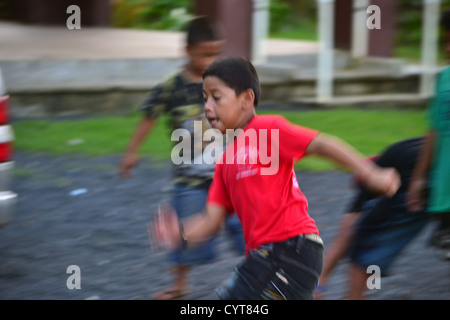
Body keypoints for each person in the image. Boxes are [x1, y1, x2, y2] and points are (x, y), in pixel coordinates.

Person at [152, 56, 401, 300]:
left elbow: (322, 144)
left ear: (246, 99)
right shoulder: (225, 164)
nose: (207, 106)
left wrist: (370, 173)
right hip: (270, 257)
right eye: (205, 99)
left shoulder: (267, 130)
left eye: (216, 97)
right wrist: (181, 234)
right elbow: (210, 221)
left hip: (290, 248)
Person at [119, 17, 245, 300]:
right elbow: (149, 115)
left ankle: (263, 275)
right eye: (205, 54)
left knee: (248, 227)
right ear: (187, 50)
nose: (211, 60)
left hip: (228, 175)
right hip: (189, 178)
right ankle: (179, 286)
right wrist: (132, 151)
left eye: (216, 53)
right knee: (183, 230)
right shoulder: (171, 86)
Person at [315, 137, 430, 300]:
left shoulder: (370, 184)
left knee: (367, 249)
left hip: (409, 165)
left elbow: (343, 241)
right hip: (418, 159)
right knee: (369, 251)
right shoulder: (372, 186)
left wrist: (320, 284)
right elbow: (344, 241)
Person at [407, 8, 450, 260]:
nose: (448, 48)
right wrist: (418, 178)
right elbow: (433, 132)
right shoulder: (443, 79)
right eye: (447, 40)